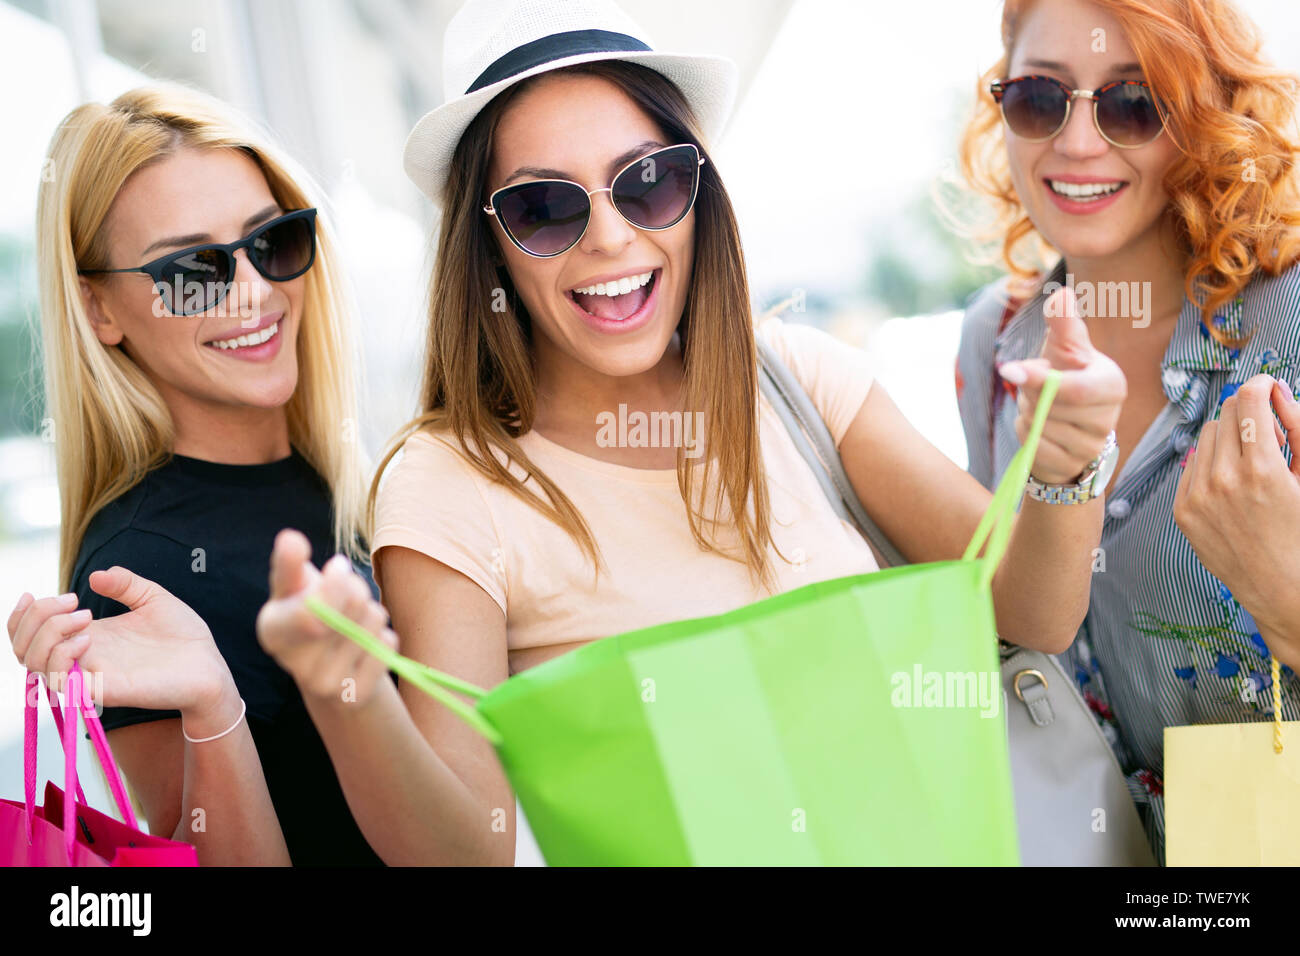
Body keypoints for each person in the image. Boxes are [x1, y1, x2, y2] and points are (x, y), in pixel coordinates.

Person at [254, 0, 1126, 866]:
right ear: (488, 251)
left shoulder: (799, 380)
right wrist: (349, 694)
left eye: (648, 182)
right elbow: (466, 852)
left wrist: (1068, 464)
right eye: (545, 208)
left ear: (698, 190)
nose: (609, 236)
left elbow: (1032, 610)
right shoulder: (450, 483)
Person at [6, 83, 390, 865]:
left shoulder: (365, 482)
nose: (254, 292)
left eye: (273, 242)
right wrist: (213, 696)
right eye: (192, 269)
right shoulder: (136, 570)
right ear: (99, 312)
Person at [953, 0, 1300, 860]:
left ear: (1207, 116)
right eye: (1040, 98)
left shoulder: (1289, 323)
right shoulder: (994, 343)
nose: (1075, 143)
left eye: (1133, 102)